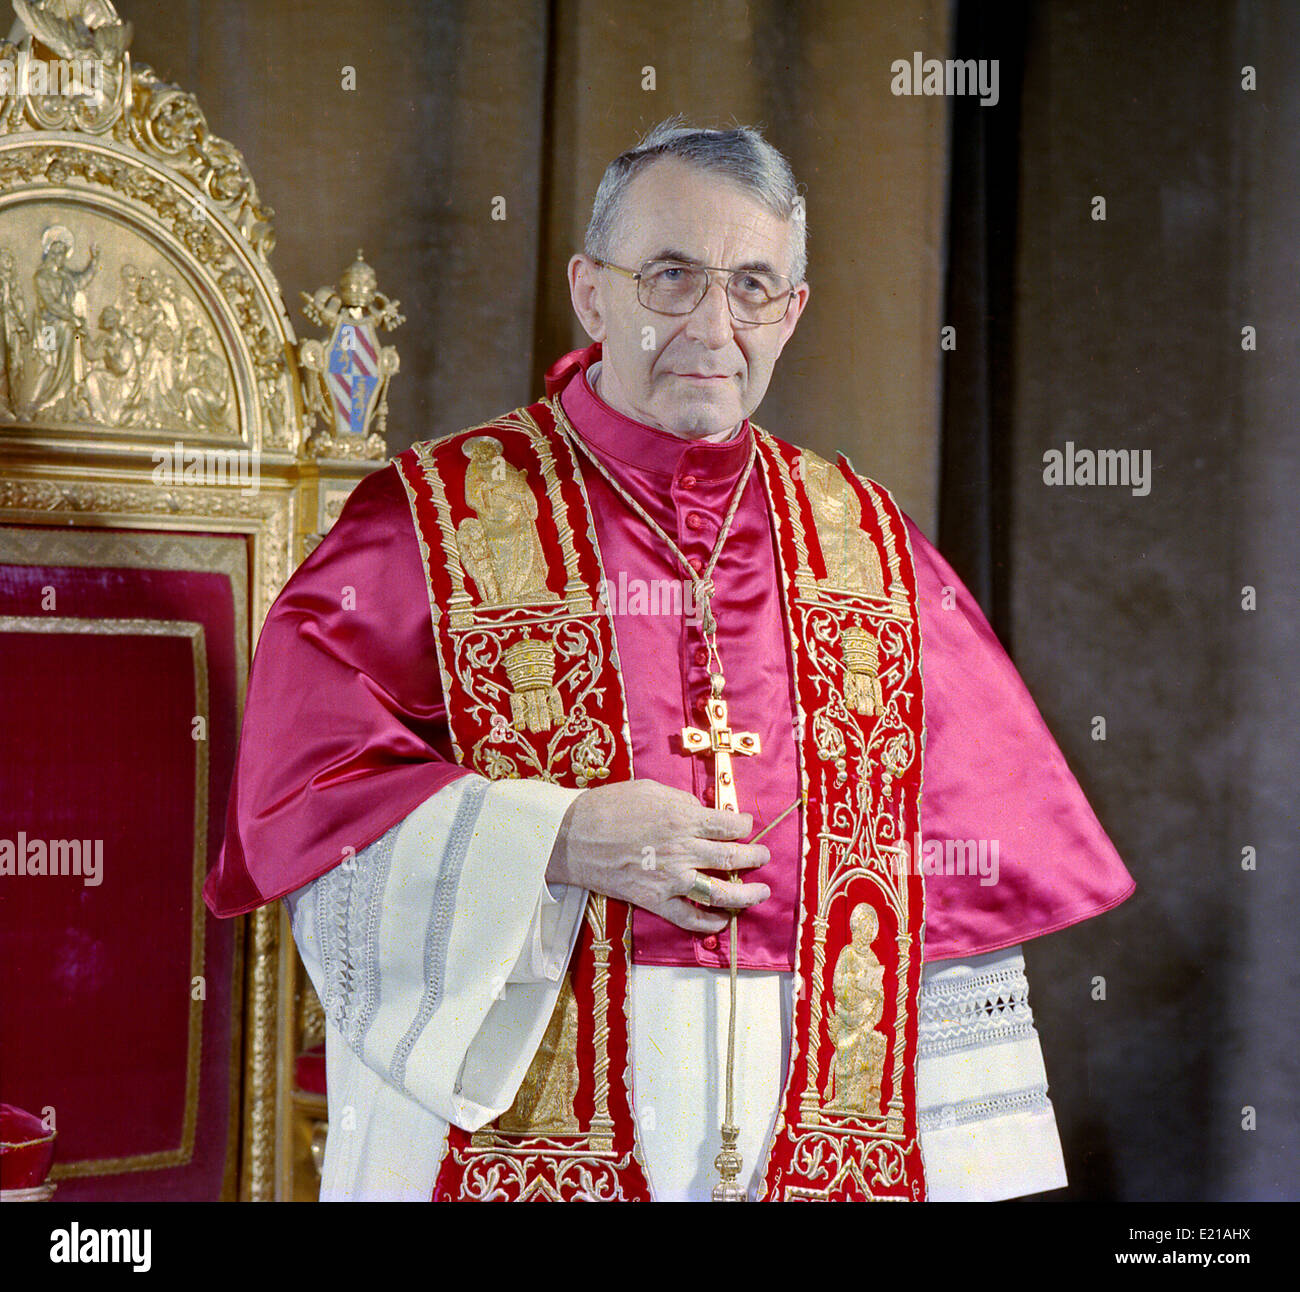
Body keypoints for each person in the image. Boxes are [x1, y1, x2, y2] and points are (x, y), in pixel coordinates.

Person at [204, 119, 1134, 1202]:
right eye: (671, 276)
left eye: (751, 286)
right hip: (512, 1123)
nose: (711, 324)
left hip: (813, 1131)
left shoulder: (871, 548)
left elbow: (962, 906)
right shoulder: (422, 523)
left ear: (791, 312)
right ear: (592, 293)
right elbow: (307, 814)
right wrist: (551, 837)